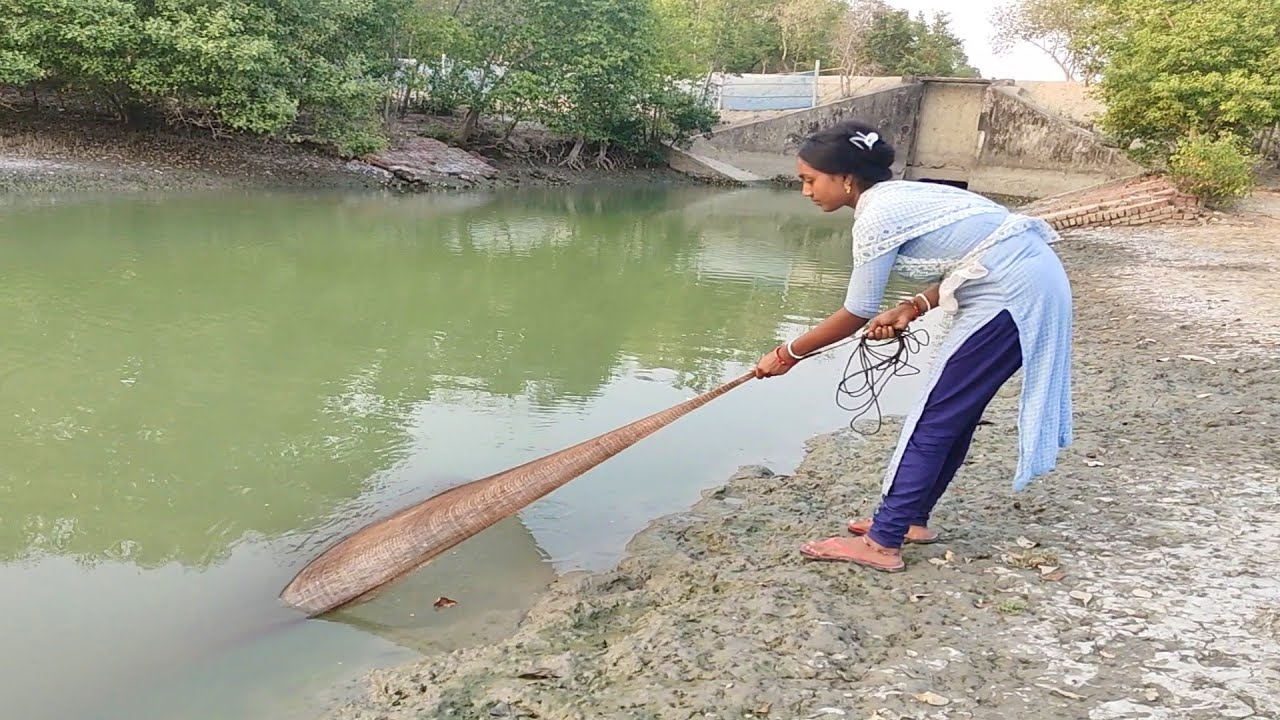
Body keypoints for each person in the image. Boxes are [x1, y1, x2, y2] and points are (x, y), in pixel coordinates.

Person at [754, 119, 1073, 573]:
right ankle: (909, 520)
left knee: (935, 415)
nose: (806, 192)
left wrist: (789, 353)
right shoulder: (901, 196)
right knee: (953, 413)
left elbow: (857, 311)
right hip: (1021, 283)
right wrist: (915, 305)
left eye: (810, 180)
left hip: (1012, 295)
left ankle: (883, 542)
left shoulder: (877, 214)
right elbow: (975, 250)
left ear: (846, 180)